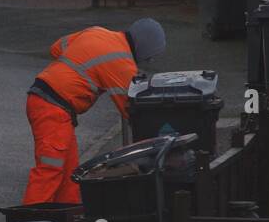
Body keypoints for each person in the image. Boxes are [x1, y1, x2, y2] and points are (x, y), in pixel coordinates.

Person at [23, 18, 166, 205]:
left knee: (69, 175)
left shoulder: (98, 32)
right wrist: (159, 137)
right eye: (149, 57)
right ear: (144, 50)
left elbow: (56, 48)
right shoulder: (121, 62)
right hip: (52, 109)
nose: (148, 61)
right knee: (50, 170)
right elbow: (133, 111)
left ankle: (67, 220)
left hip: (48, 103)